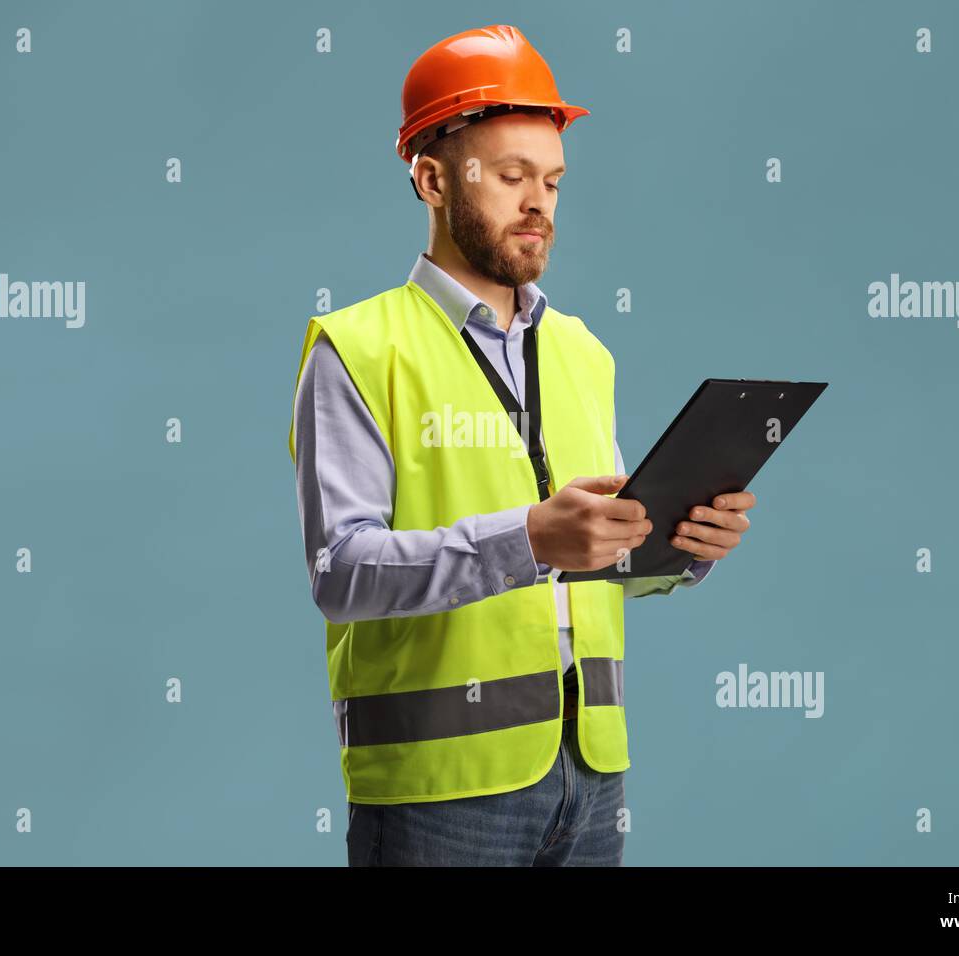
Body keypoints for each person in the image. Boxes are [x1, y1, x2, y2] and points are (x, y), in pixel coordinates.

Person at [287, 24, 756, 866]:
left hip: (593, 776)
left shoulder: (582, 351)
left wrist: (682, 550)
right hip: (439, 787)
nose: (538, 202)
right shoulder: (358, 348)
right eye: (510, 177)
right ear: (432, 179)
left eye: (551, 180)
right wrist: (530, 539)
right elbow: (342, 575)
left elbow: (593, 563)